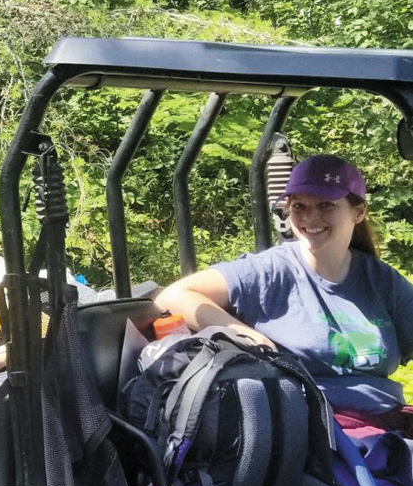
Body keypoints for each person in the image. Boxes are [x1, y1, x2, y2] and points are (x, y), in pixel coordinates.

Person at [156, 153, 413, 426]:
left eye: (326, 205)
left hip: (386, 424)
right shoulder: (270, 271)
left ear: (358, 212)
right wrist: (238, 331)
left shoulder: (381, 280)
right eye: (299, 206)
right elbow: (172, 296)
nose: (310, 217)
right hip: (309, 430)